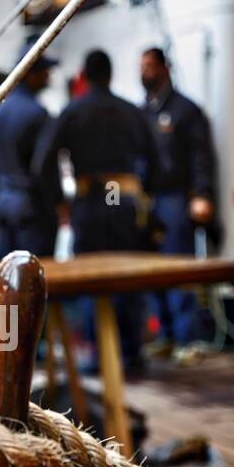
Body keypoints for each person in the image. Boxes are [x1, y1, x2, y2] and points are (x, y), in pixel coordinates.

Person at [34, 49, 161, 374]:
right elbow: (160, 162)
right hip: (127, 205)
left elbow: (43, 163)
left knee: (92, 279)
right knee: (129, 275)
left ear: (84, 76)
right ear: (110, 74)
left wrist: (60, 203)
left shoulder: (72, 112)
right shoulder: (132, 112)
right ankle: (133, 353)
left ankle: (99, 354)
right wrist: (145, 193)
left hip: (89, 204)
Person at [140, 47, 218, 349]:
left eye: (149, 66)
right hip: (150, 200)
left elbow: (202, 157)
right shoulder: (144, 112)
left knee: (178, 269)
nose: (145, 72)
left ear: (164, 68)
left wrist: (202, 195)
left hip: (176, 199)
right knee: (152, 271)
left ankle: (188, 338)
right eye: (142, 66)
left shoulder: (186, 111)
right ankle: (166, 335)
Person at [0, 48, 58, 258]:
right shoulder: (37, 113)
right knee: (34, 276)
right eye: (45, 71)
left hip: (3, 205)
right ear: (31, 75)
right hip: (32, 210)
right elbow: (45, 168)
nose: (48, 76)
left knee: (7, 276)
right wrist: (56, 204)